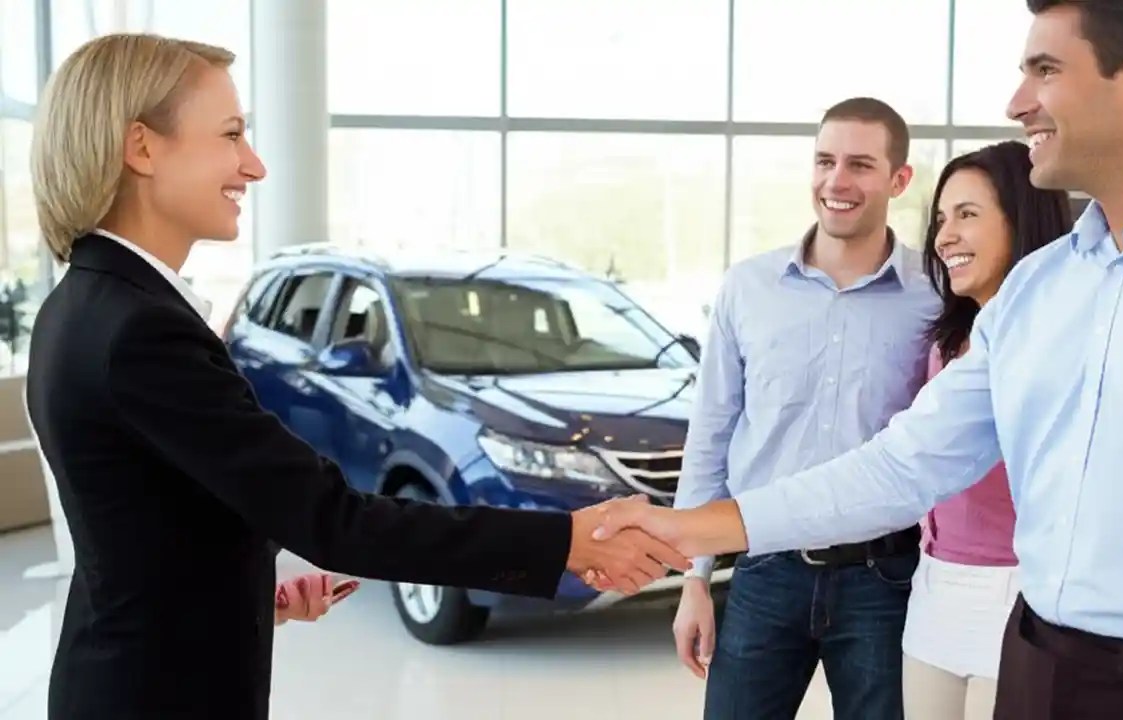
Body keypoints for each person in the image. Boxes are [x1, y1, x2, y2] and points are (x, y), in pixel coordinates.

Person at [592, 1, 1123, 718]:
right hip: (1032, 669)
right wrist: (688, 530)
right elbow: (902, 464)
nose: (1018, 104)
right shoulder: (1037, 290)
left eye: (1045, 71)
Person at [24, 33, 686, 720]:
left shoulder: (81, 305)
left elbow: (143, 529)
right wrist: (567, 541)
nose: (253, 166)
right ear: (142, 147)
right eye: (231, 134)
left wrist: (250, 588)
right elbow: (331, 516)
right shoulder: (141, 330)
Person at [670, 96, 939, 720]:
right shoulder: (748, 287)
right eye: (825, 161)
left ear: (899, 179)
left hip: (885, 577)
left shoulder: (933, 295)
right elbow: (711, 433)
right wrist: (693, 580)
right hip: (765, 569)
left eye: (860, 165)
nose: (836, 182)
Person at [901, 140, 1071, 720]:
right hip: (935, 591)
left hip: (1024, 595)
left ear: (1021, 220)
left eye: (967, 215)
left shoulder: (1063, 343)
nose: (943, 236)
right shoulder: (947, 344)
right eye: (940, 219)